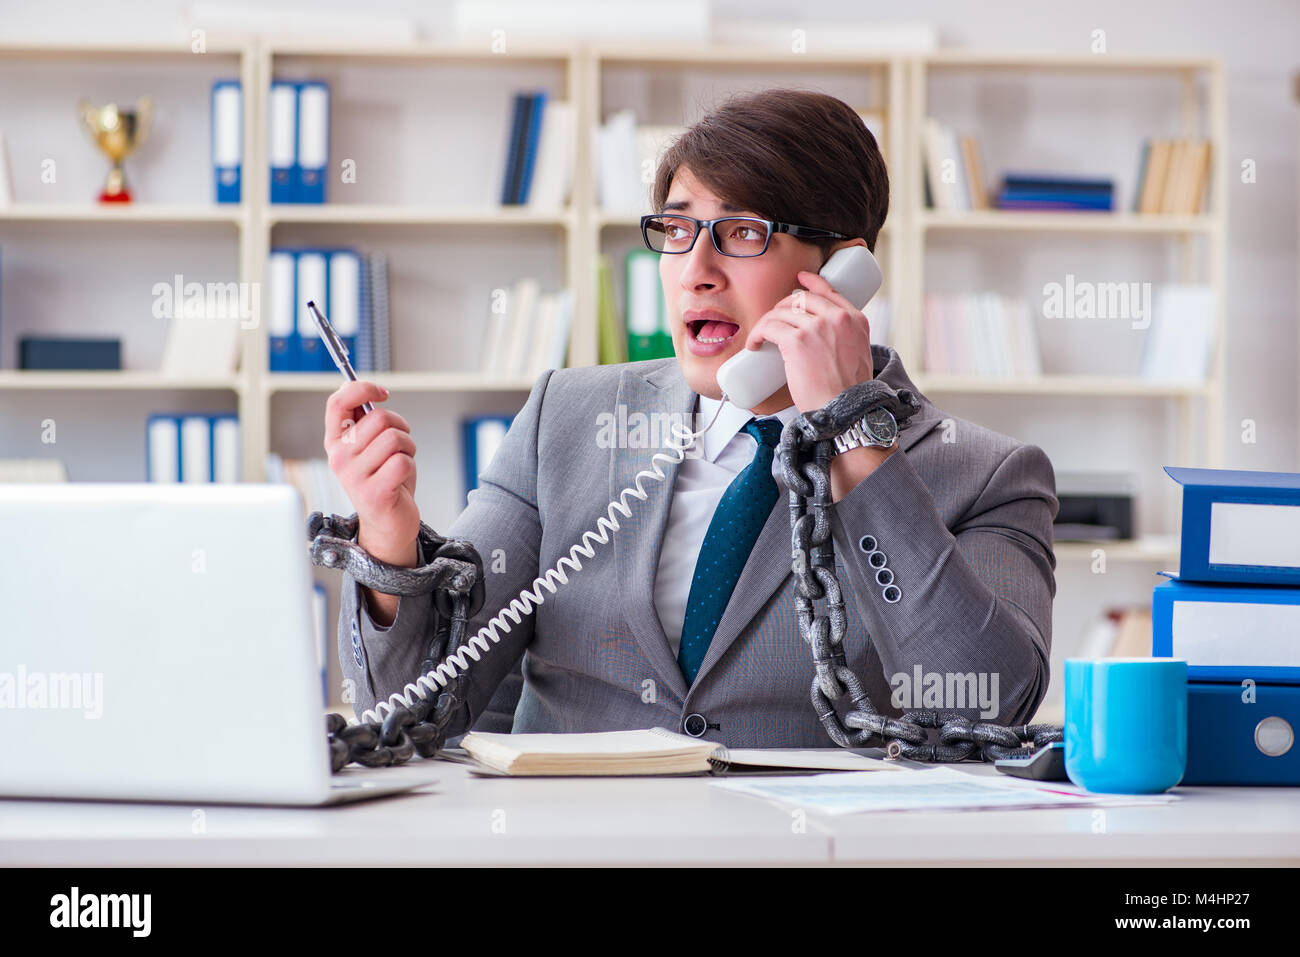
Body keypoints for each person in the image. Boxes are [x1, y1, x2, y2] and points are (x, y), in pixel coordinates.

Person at [323, 88, 1059, 749]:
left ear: (845, 270)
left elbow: (988, 702)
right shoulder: (568, 420)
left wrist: (853, 432)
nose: (696, 269)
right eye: (677, 230)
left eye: (742, 232)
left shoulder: (985, 473)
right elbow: (419, 709)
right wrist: (388, 541)